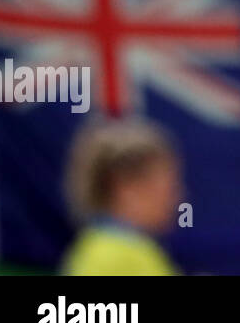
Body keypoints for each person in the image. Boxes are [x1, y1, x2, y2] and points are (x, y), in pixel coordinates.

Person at [61, 118, 182, 276]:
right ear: (127, 189)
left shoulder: (103, 247)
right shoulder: (116, 256)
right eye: (169, 189)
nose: (177, 198)